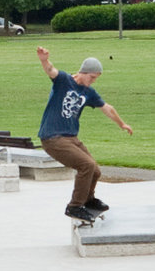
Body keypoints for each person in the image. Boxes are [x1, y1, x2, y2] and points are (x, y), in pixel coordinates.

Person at [35, 46, 134, 219]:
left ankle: (88, 199)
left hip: (71, 138)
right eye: (92, 77)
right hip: (53, 137)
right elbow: (51, 70)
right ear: (84, 72)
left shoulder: (88, 92)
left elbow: (108, 108)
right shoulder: (64, 80)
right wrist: (44, 59)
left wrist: (122, 124)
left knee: (95, 170)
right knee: (86, 165)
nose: (93, 81)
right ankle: (74, 206)